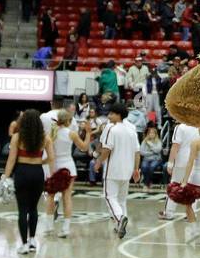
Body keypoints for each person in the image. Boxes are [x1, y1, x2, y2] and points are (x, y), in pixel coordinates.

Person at [2, 109, 48, 254]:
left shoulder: (17, 137)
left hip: (22, 173)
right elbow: (52, 157)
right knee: (33, 208)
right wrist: (39, 160)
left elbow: (11, 159)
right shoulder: (45, 138)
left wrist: (5, 176)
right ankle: (33, 240)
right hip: (38, 172)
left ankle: (24, 244)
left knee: (22, 210)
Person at [45, 110, 90, 238]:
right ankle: (65, 229)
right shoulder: (72, 134)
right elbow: (84, 147)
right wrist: (88, 133)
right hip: (68, 167)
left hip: (53, 166)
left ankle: (49, 227)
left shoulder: (51, 133)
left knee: (50, 196)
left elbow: (48, 152)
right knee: (67, 197)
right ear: (69, 121)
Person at [100, 102, 141, 239]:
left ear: (118, 115)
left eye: (111, 113)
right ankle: (120, 225)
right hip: (127, 170)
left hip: (113, 169)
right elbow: (137, 152)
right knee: (122, 200)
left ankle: (119, 218)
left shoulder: (112, 129)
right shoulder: (132, 130)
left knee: (109, 196)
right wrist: (136, 169)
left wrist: (98, 162)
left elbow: (106, 148)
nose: (109, 116)